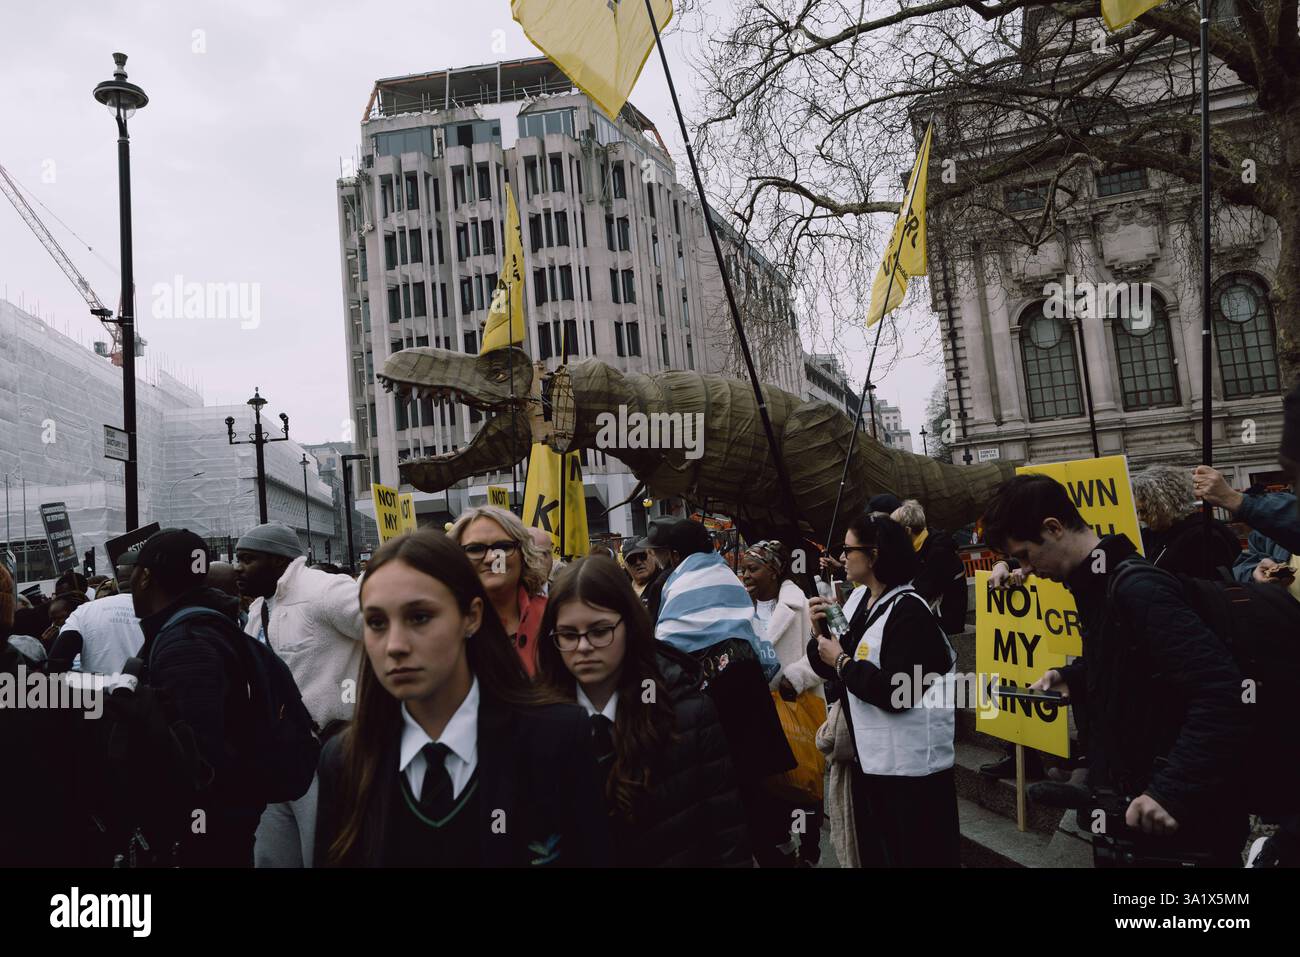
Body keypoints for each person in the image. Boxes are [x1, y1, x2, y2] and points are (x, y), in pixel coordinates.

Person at [982, 474, 1251, 866]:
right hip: (1135, 812)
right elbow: (1133, 665)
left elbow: (1224, 693)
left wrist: (1168, 792)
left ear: (1053, 528)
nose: (1025, 569)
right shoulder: (1095, 585)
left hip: (1181, 825)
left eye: (1024, 555)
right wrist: (1072, 677)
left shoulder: (1135, 587)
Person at [313, 530, 612, 867]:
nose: (395, 644)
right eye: (377, 622)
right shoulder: (344, 760)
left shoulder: (557, 736)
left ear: (471, 617)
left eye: (420, 617)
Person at [536, 556, 750, 867]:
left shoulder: (687, 711)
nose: (583, 647)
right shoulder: (535, 721)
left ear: (629, 625)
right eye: (568, 635)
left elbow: (727, 833)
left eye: (599, 631)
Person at [806, 513, 960, 867]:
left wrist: (842, 661)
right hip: (872, 765)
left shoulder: (910, 611)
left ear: (874, 555)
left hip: (913, 777)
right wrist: (821, 636)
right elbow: (827, 664)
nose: (841, 557)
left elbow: (898, 693)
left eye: (848, 550)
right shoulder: (860, 600)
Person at [653, 517, 796, 866]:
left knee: (724, 794)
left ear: (673, 555)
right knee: (759, 792)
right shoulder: (728, 579)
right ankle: (776, 850)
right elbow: (754, 637)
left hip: (709, 709)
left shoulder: (672, 587)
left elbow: (666, 648)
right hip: (752, 703)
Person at [130, 528, 265, 866]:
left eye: (132, 571)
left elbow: (198, 756)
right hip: (219, 815)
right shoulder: (197, 626)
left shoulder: (185, 642)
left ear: (145, 577)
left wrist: (191, 829)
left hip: (208, 824)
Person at [235, 522, 364, 868]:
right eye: (238, 559)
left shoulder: (325, 591)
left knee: (324, 857)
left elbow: (389, 632)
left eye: (248, 559)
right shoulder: (258, 609)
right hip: (274, 761)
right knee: (271, 859)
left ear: (278, 561)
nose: (238, 568)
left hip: (324, 756)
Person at [740, 539, 826, 866]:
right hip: (759, 712)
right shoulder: (739, 608)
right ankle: (782, 846)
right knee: (769, 787)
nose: (745, 575)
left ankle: (809, 846)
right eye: (744, 568)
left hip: (796, 705)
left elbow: (823, 652)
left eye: (753, 569)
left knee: (801, 781)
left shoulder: (800, 605)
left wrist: (796, 676)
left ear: (773, 571)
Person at [448, 506, 549, 678]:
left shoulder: (554, 614)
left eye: (502, 547)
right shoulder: (446, 625)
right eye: (475, 549)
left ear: (523, 553)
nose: (491, 558)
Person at [1194, 465, 1300, 598]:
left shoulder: (1277, 518)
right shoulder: (1264, 531)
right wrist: (1255, 572)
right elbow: (1245, 564)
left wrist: (1234, 499)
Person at [1130, 466, 1241, 580]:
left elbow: (1211, 588)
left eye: (1144, 511)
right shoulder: (1153, 534)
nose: (1140, 518)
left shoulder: (1204, 535)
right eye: (1138, 511)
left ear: (1164, 505)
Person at [48, 553, 144, 675]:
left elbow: (56, 664)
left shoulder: (83, 612)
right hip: (146, 690)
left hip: (98, 692)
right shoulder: (158, 611)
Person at [890, 499, 968, 635]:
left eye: (893, 530)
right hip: (928, 618)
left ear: (907, 531)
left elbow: (920, 591)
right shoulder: (919, 546)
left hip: (945, 624)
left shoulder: (939, 551)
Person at [527, 526, 556, 594]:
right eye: (533, 553)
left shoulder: (563, 596)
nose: (540, 560)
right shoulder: (505, 596)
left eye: (545, 553)